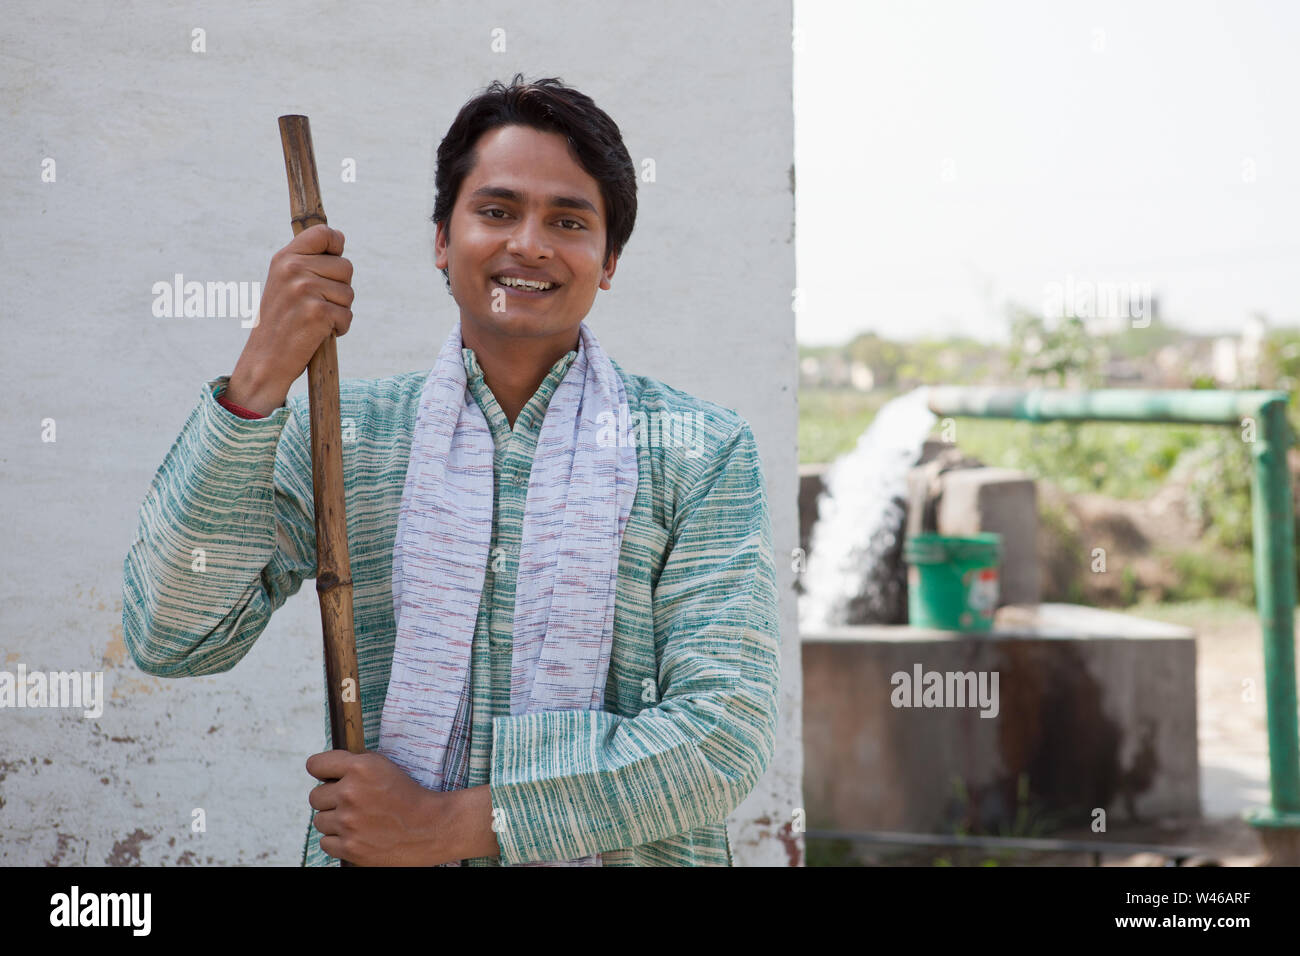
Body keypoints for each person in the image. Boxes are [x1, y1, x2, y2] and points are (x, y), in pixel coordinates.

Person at [122, 73, 780, 867]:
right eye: (497, 211)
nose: (529, 244)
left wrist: (451, 827)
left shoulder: (697, 450)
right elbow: (172, 636)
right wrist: (260, 376)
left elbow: (723, 735)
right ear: (442, 239)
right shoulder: (347, 436)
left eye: (568, 220)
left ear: (608, 261)